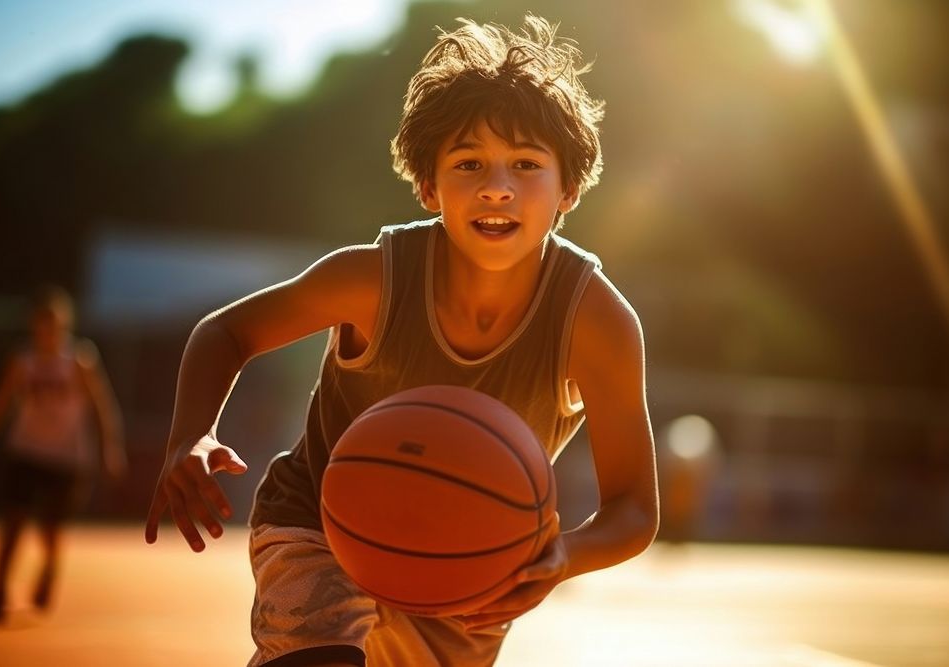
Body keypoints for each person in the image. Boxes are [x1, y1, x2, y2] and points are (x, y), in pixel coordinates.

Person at [145, 15, 659, 667]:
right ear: (427, 185)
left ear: (569, 190)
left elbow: (635, 507)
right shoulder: (373, 278)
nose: (497, 185)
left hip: (471, 566)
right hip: (322, 522)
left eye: (526, 164)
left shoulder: (596, 319)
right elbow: (227, 330)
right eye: (468, 162)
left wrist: (560, 557)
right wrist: (191, 433)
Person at [0, 285, 126, 623]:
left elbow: (102, 408)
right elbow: (0, 401)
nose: (46, 331)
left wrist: (110, 448)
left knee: (49, 527)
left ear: (64, 326)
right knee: (13, 520)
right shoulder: (23, 360)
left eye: (54, 325)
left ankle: (48, 568)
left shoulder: (79, 360)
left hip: (67, 458)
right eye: (41, 324)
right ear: (34, 325)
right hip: (26, 450)